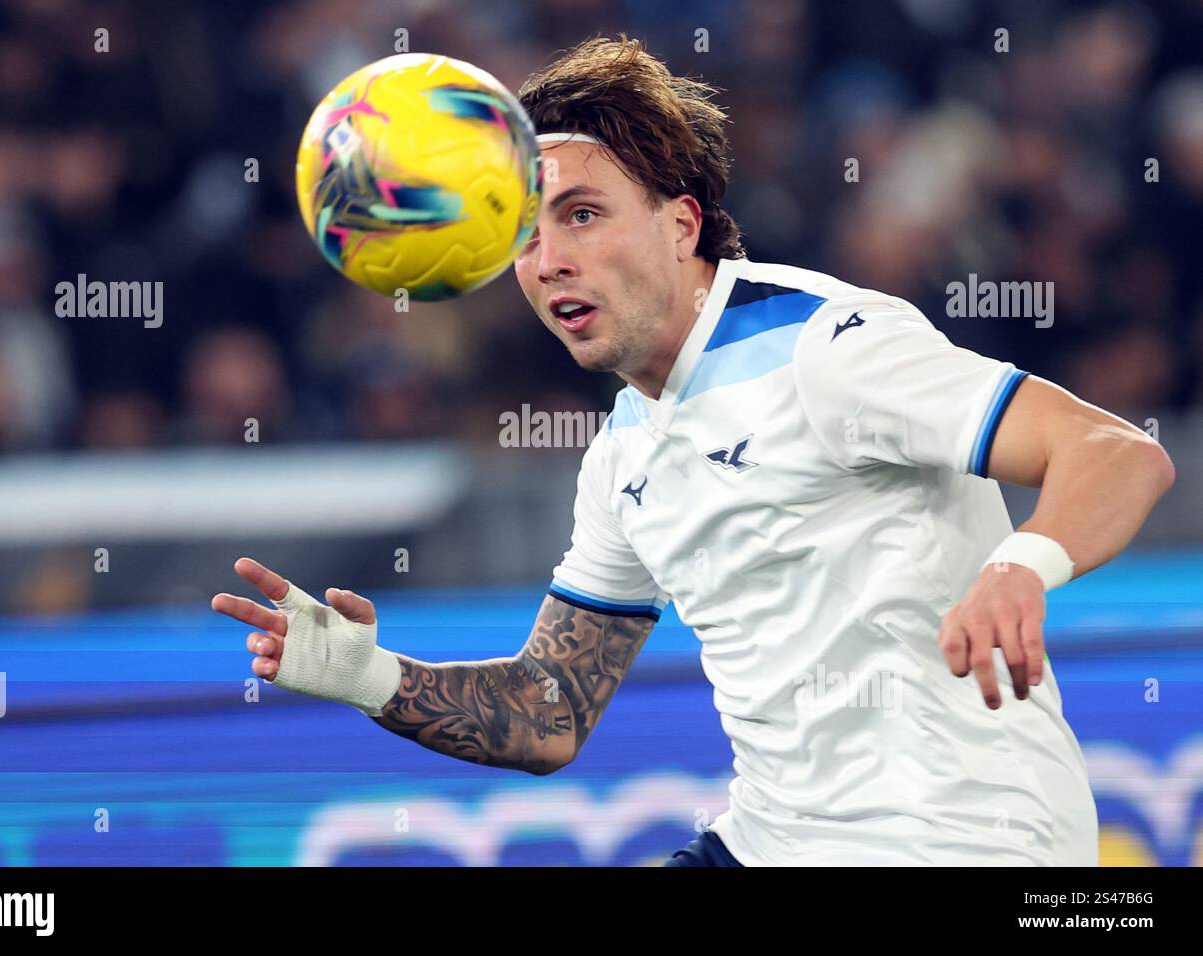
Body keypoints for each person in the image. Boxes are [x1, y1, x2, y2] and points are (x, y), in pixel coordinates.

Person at [211, 36, 1175, 866]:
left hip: (964, 841)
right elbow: (550, 710)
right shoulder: (624, 452)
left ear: (681, 223)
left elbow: (1119, 454)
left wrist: (1019, 565)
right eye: (523, 233)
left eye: (582, 214)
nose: (549, 261)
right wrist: (368, 678)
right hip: (770, 841)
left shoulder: (827, 348)